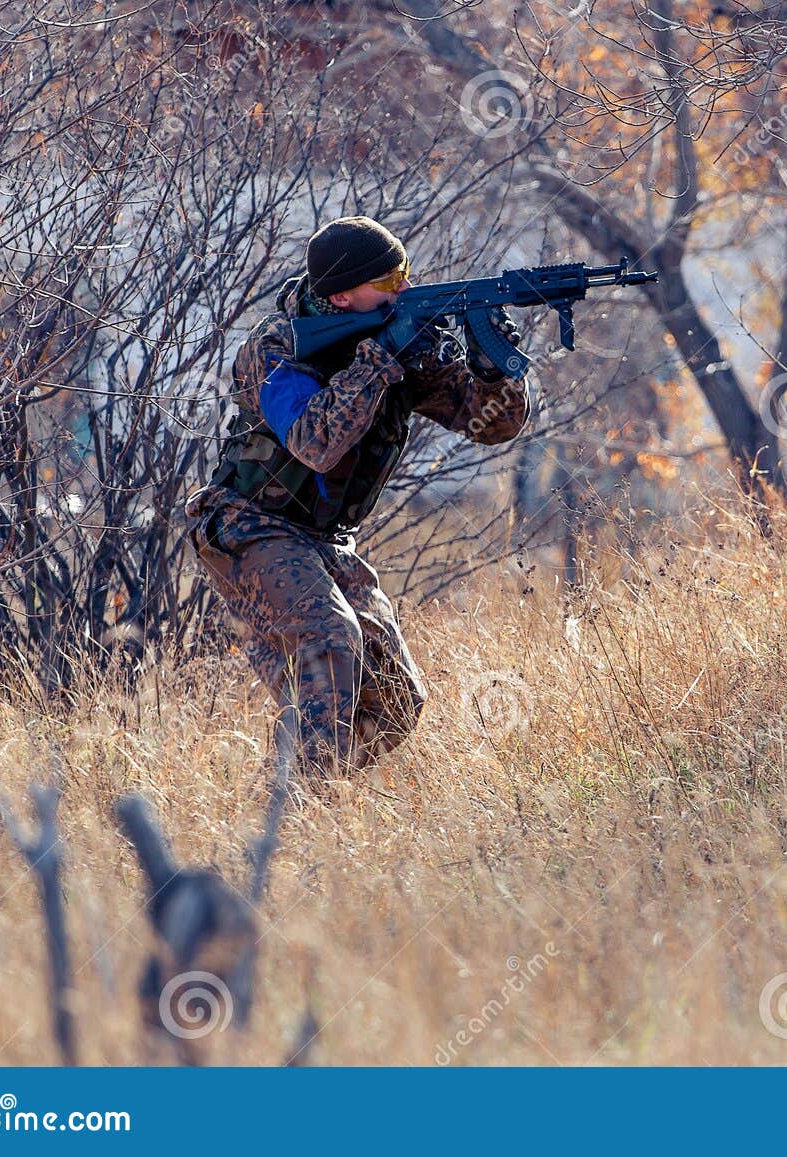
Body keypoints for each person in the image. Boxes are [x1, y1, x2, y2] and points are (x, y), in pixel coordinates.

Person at [184, 216, 529, 780]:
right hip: (251, 527)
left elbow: (491, 425)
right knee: (329, 644)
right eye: (389, 279)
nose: (402, 288)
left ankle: (303, 788)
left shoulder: (397, 338)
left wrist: (491, 369)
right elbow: (314, 444)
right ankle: (292, 821)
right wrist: (379, 359)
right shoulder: (275, 348)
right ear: (342, 295)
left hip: (324, 541)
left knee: (394, 700)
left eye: (404, 274)